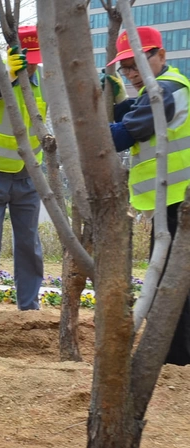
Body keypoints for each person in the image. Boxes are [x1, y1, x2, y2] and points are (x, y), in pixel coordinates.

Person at [107, 26, 190, 366]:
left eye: (137, 63)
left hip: (177, 200)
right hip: (173, 199)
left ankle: (175, 359)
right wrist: (110, 101)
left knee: (173, 284)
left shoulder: (165, 92)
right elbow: (129, 112)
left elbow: (124, 133)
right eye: (124, 67)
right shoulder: (165, 88)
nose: (130, 73)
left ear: (161, 56)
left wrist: (81, 133)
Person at [0, 25, 46, 312]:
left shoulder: (46, 83)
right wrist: (10, 75)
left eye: (36, 58)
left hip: (28, 178)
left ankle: (29, 307)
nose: (33, 64)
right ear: (14, 54)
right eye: (28, 57)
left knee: (29, 244)